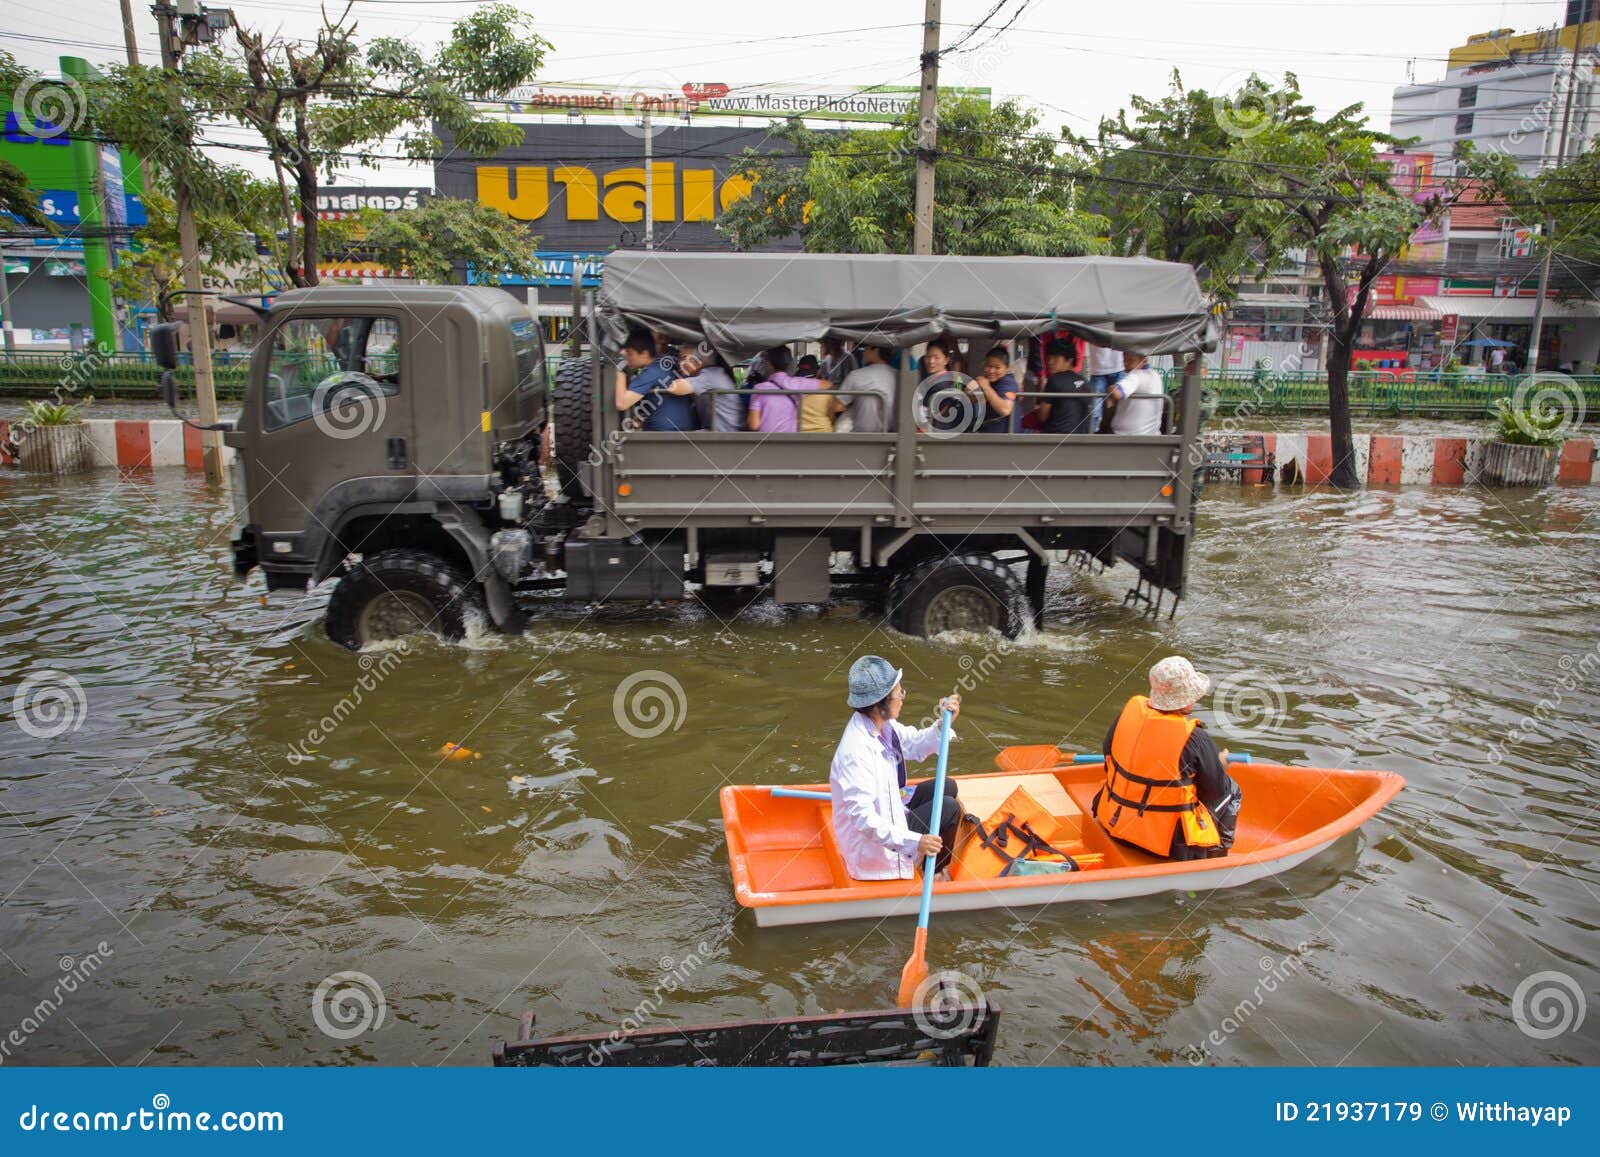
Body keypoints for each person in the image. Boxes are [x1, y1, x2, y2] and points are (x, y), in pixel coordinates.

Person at [1091, 656, 1241, 861]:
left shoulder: (1126, 718)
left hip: (1114, 821)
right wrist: (1220, 765)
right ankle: (1215, 856)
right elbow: (1215, 791)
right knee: (1232, 790)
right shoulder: (1195, 739)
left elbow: (1108, 757)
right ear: (1186, 699)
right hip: (1168, 845)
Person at [830, 655, 963, 881]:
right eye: (898, 693)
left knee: (947, 786)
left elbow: (914, 743)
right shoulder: (856, 752)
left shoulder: (884, 725)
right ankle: (937, 873)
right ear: (879, 703)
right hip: (872, 852)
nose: (902, 698)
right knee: (949, 807)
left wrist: (942, 724)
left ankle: (930, 860)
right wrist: (915, 841)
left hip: (893, 809)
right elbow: (862, 818)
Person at [615, 330, 698, 431]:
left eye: (630, 354)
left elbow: (621, 403)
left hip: (664, 435)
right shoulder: (666, 362)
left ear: (644, 354)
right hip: (682, 429)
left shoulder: (653, 372)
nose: (627, 358)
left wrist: (620, 371)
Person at [746, 346, 817, 433]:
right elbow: (826, 384)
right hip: (791, 440)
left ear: (769, 364)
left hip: (765, 443)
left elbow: (754, 425)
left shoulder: (759, 388)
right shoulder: (798, 384)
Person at [674, 343, 742, 432]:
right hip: (726, 430)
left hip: (725, 433)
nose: (680, 363)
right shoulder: (715, 372)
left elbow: (676, 388)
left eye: (684, 358)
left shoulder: (708, 376)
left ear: (698, 362)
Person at [834, 344, 898, 433]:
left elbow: (837, 406)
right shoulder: (899, 376)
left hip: (860, 436)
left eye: (866, 348)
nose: (863, 352)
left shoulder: (856, 375)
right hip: (892, 435)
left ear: (876, 350)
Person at [1036, 338, 1093, 434]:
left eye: (1055, 358)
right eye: (1048, 358)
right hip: (1082, 439)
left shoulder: (1054, 380)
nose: (1050, 362)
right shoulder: (1086, 383)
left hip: (1055, 437)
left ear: (1069, 360)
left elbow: (1042, 417)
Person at [1102, 351, 1165, 435]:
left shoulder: (1136, 375)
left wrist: (1110, 389)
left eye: (1131, 360)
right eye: (1124, 359)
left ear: (1144, 360)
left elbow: (1116, 393)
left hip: (1128, 435)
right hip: (1152, 433)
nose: (1125, 363)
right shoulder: (1155, 374)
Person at [973, 346, 1019, 433]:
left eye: (997, 367)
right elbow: (969, 399)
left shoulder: (1009, 383)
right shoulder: (988, 381)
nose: (991, 371)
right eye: (988, 366)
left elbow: (1005, 409)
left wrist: (986, 388)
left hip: (1003, 440)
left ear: (1007, 368)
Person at [1085, 341, 1125, 431]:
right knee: (1094, 411)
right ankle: (1090, 438)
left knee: (1120, 409)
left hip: (1118, 367)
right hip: (1098, 370)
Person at [797, 354, 839, 432]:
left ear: (799, 370)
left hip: (799, 431)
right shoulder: (826, 386)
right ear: (817, 370)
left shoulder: (791, 386)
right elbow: (832, 416)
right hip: (823, 432)